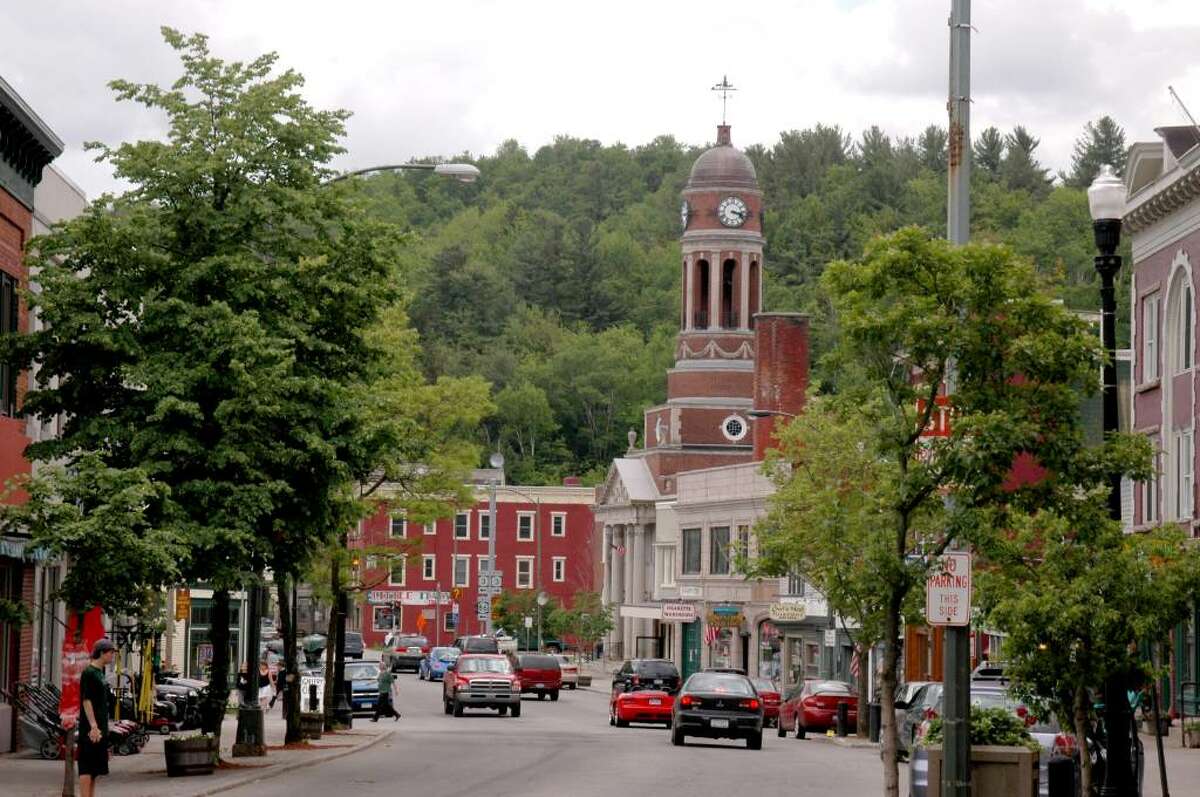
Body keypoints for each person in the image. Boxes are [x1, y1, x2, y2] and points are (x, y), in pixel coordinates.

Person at [79, 638, 116, 797]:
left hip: (101, 726)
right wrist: (93, 725)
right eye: (111, 652)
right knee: (86, 766)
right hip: (91, 729)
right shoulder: (89, 673)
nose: (112, 655)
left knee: (95, 768)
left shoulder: (100, 673)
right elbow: (86, 700)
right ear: (101, 653)